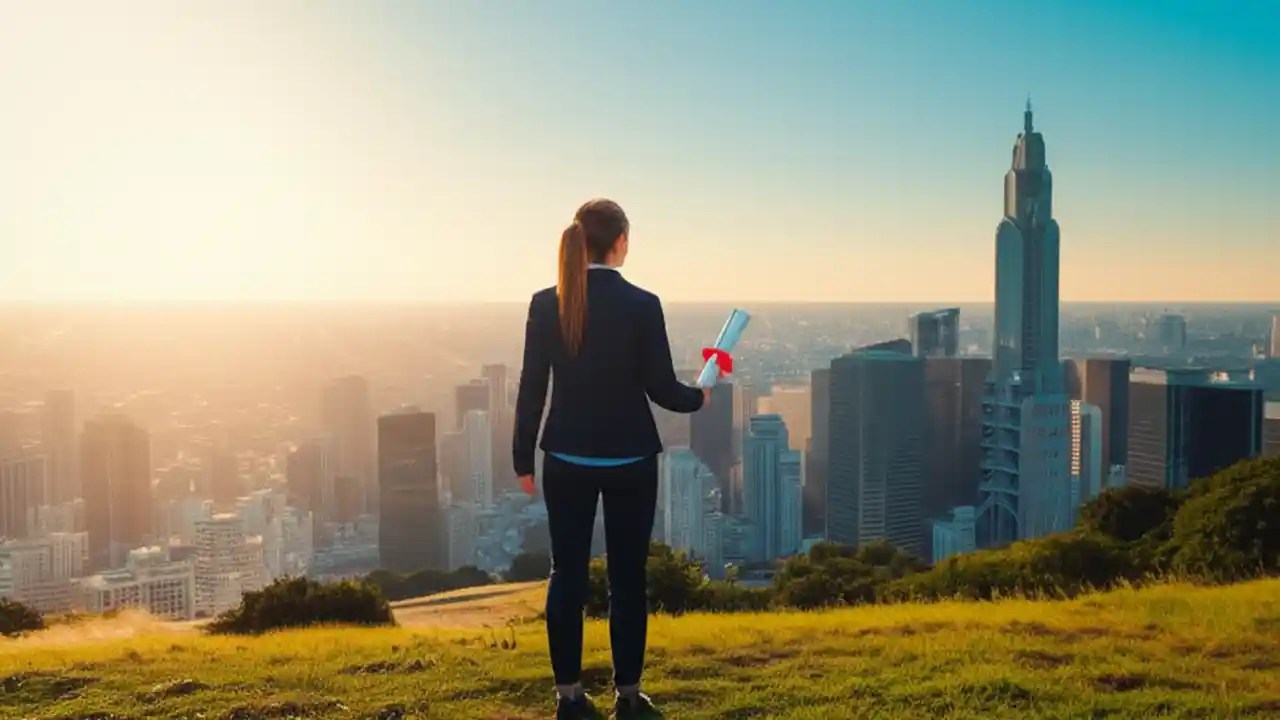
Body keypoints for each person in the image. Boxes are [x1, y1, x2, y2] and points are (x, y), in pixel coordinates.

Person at [514, 198, 708, 719]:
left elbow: (533, 388)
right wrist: (701, 397)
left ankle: (570, 697)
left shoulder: (545, 302)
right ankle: (628, 696)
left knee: (566, 574)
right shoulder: (642, 304)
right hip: (630, 460)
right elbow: (662, 388)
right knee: (628, 577)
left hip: (566, 459)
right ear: (619, 242)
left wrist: (522, 458)